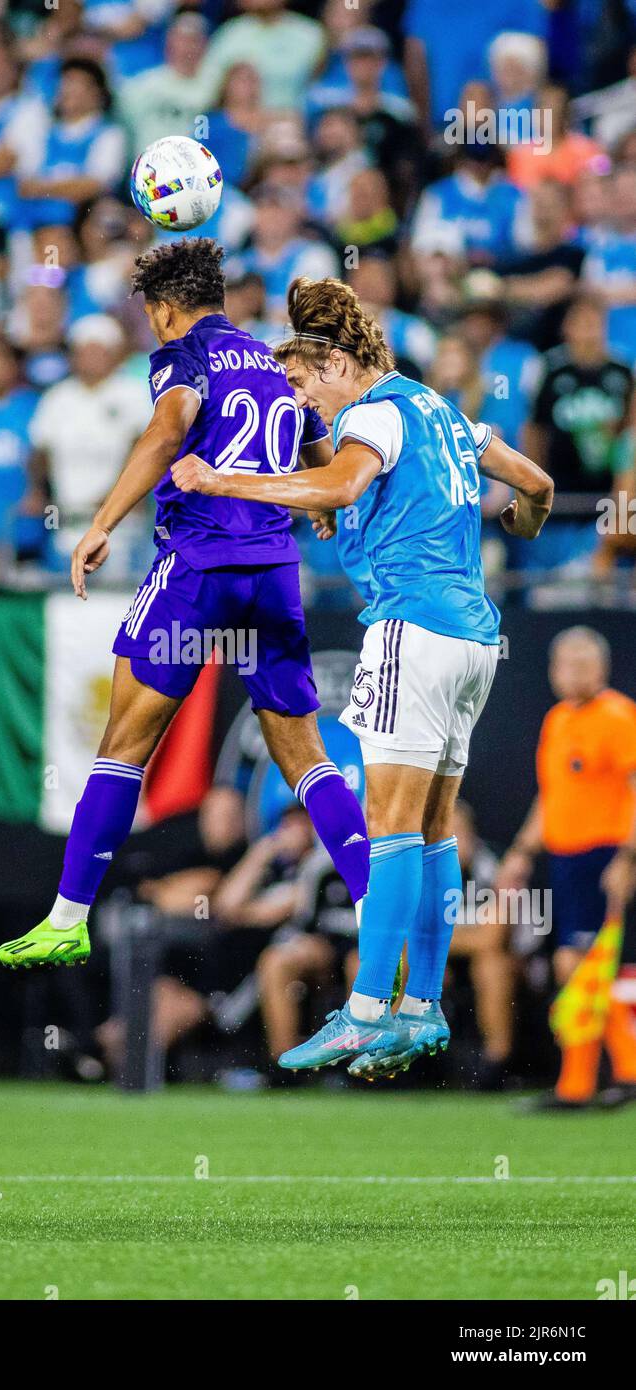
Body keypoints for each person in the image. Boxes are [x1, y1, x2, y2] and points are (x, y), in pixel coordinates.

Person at [171, 274, 554, 1077]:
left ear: (337, 362)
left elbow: (343, 481)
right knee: (433, 829)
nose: (306, 406)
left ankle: (366, 1009)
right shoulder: (443, 412)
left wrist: (221, 478)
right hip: (476, 640)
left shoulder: (371, 413)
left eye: (306, 386)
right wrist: (522, 523)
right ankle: (421, 1010)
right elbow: (537, 487)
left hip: (410, 631)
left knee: (388, 828)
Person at [0, 238, 371, 971]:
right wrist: (321, 509)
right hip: (272, 572)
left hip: (199, 564)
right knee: (306, 757)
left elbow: (168, 429)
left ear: (166, 309)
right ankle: (373, 909)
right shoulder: (274, 360)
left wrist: (100, 522)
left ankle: (68, 917)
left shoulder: (181, 355)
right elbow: (321, 455)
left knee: (125, 743)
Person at [497, 626, 636, 1109]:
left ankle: (588, 1084)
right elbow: (552, 796)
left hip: (606, 857)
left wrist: (627, 858)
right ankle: (612, 1078)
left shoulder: (619, 716)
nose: (572, 673)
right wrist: (521, 851)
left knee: (591, 964)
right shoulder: (557, 720)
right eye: (564, 664)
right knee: (579, 965)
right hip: (566, 859)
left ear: (602, 668)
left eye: (583, 664)